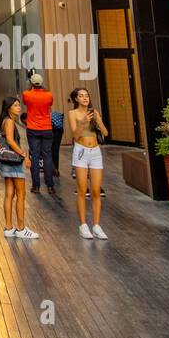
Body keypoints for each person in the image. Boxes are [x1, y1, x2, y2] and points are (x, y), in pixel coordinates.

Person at [0, 96, 39, 240]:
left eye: (19, 105)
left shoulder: (4, 121)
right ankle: (21, 228)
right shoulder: (9, 122)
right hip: (14, 160)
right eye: (15, 105)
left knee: (9, 193)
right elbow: (9, 140)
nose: (19, 107)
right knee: (21, 194)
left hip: (6, 160)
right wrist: (24, 155)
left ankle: (9, 227)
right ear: (9, 108)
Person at [68, 88, 109, 239]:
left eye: (86, 95)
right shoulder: (73, 114)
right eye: (81, 96)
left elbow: (105, 133)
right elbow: (75, 135)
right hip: (81, 151)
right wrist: (84, 122)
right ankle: (83, 225)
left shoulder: (94, 112)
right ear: (76, 99)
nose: (85, 98)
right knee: (82, 189)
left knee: (96, 190)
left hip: (96, 152)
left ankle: (97, 225)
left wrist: (97, 120)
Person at [22, 72, 55, 196]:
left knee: (34, 156)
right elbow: (50, 103)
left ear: (31, 83)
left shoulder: (27, 94)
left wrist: (29, 86)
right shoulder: (49, 95)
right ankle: (50, 186)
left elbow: (25, 101)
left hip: (33, 128)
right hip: (47, 128)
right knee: (47, 156)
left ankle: (36, 186)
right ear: (42, 83)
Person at [51, 106, 65, 181]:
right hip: (59, 130)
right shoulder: (56, 116)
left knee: (48, 150)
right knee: (55, 150)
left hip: (50, 130)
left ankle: (52, 169)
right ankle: (56, 168)